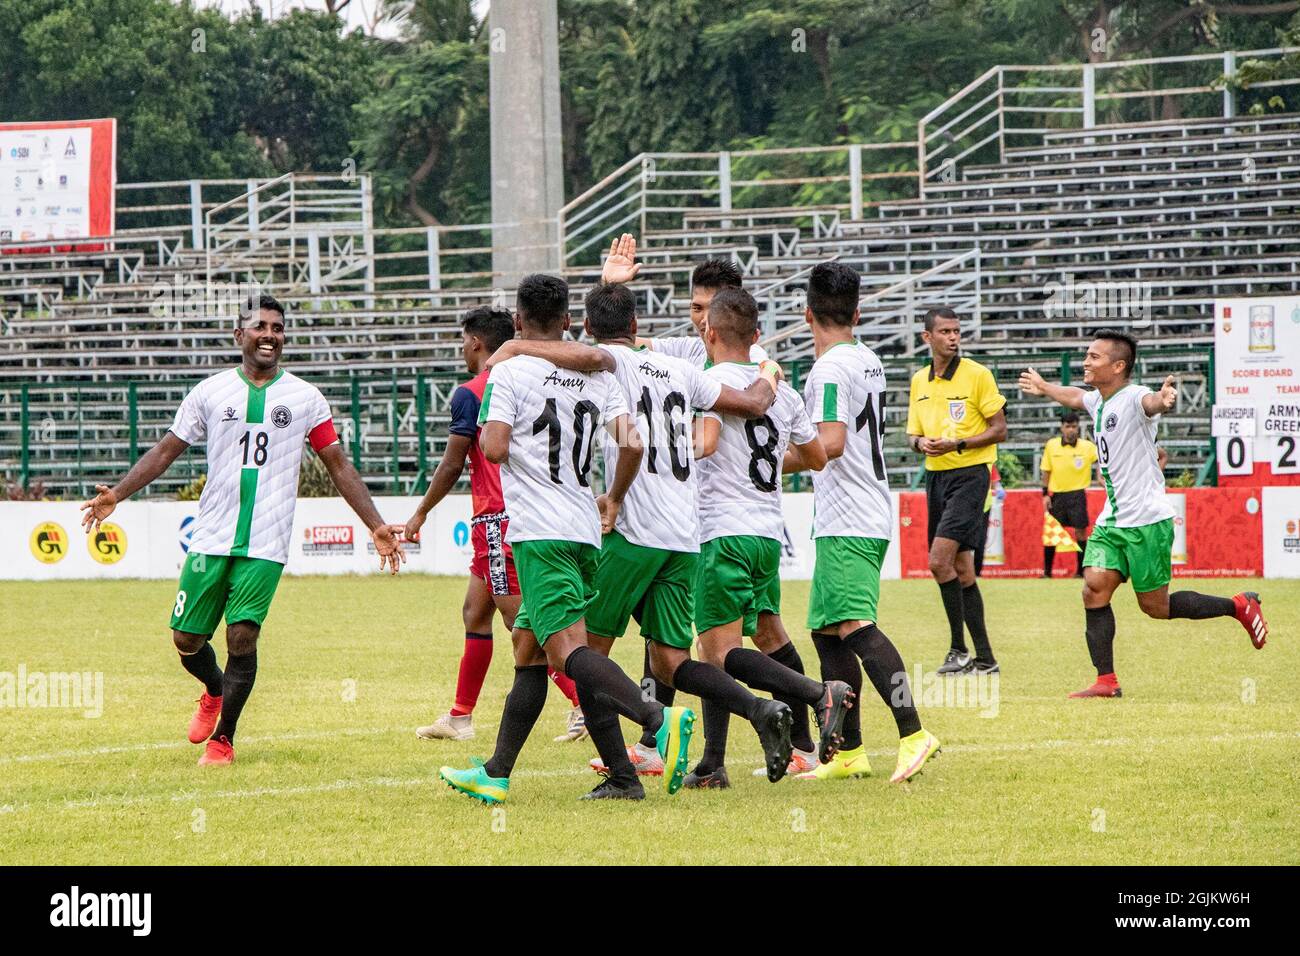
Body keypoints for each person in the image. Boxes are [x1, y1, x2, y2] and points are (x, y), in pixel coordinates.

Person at [494, 281, 800, 796]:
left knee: (583, 652)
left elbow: (581, 384)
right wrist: (767, 370)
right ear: (638, 327)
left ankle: (631, 758)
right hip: (683, 533)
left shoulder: (600, 365)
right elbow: (751, 403)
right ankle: (760, 707)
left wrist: (516, 345)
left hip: (627, 530)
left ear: (587, 329)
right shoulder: (682, 369)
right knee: (670, 661)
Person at [80, 294, 406, 766]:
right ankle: (213, 689)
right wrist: (118, 494)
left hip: (267, 542)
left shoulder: (305, 397)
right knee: (186, 641)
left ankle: (224, 739)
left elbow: (338, 465)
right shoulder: (210, 392)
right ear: (240, 335)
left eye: (277, 327)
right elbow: (166, 451)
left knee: (242, 637)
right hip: (211, 535)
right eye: (260, 326)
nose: (270, 334)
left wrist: (375, 524)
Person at [438, 274, 695, 803]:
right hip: (583, 527)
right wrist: (615, 497)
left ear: (517, 321)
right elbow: (632, 444)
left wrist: (509, 431)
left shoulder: (509, 373)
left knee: (568, 652)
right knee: (530, 651)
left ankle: (656, 720)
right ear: (569, 322)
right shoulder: (599, 377)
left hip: (540, 531)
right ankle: (507, 772)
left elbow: (494, 447)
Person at [602, 234, 813, 774]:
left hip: (714, 523)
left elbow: (710, 441)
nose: (695, 320)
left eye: (702, 309)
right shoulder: (690, 353)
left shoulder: (734, 367)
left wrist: (663, 446)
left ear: (724, 313)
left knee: (715, 645)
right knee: (717, 638)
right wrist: (610, 289)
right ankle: (703, 751)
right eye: (692, 308)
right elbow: (620, 344)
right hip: (747, 523)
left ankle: (782, 730)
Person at [1019, 329, 1268, 699]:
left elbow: (1152, 403)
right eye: (1086, 356)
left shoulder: (1133, 397)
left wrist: (1164, 400)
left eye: (1094, 357)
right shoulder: (1099, 400)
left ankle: (1238, 606)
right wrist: (1045, 386)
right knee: (1093, 589)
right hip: (1112, 519)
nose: (1086, 362)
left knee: (1155, 607)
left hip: (1146, 520)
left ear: (1118, 366)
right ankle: (1106, 681)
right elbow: (1075, 397)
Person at [683, 286, 855, 789]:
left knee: (715, 654)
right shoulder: (785, 391)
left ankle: (819, 694)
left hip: (721, 531)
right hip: (766, 531)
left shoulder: (708, 383)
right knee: (770, 636)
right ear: (757, 335)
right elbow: (818, 457)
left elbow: (707, 445)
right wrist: (765, 467)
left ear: (709, 332)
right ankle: (776, 752)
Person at [404, 307, 589, 744]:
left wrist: (420, 513)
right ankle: (460, 717)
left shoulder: (473, 391)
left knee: (523, 626)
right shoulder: (542, 378)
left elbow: (453, 462)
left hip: (497, 517)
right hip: (541, 512)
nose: (462, 350)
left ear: (476, 343)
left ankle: (584, 702)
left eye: (463, 342)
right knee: (475, 612)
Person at [791, 261, 942, 783]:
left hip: (850, 513)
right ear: (857, 312)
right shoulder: (866, 358)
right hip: (856, 511)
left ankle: (914, 733)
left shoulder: (829, 369)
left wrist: (768, 459)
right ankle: (848, 753)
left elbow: (828, 445)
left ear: (806, 313)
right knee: (827, 633)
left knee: (854, 626)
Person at [906, 307, 1007, 675]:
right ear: (927, 337)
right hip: (936, 478)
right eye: (945, 331)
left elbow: (1000, 429)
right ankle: (984, 659)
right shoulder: (919, 381)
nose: (953, 337)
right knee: (962, 569)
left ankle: (958, 650)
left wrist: (958, 445)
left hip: (971, 475)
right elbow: (912, 435)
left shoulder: (978, 375)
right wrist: (922, 445)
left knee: (938, 561)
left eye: (957, 331)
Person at [1041, 412, 1099, 579]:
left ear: (1078, 427)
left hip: (1077, 495)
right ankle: (1047, 573)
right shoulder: (1051, 445)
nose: (1071, 430)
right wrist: (1045, 494)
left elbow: (1104, 459)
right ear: (1062, 427)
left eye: (1074, 426)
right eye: (1068, 426)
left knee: (1081, 532)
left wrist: (1101, 475)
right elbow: (1046, 470)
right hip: (1057, 495)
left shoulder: (1087, 447)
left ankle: (1081, 572)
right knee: (1052, 533)